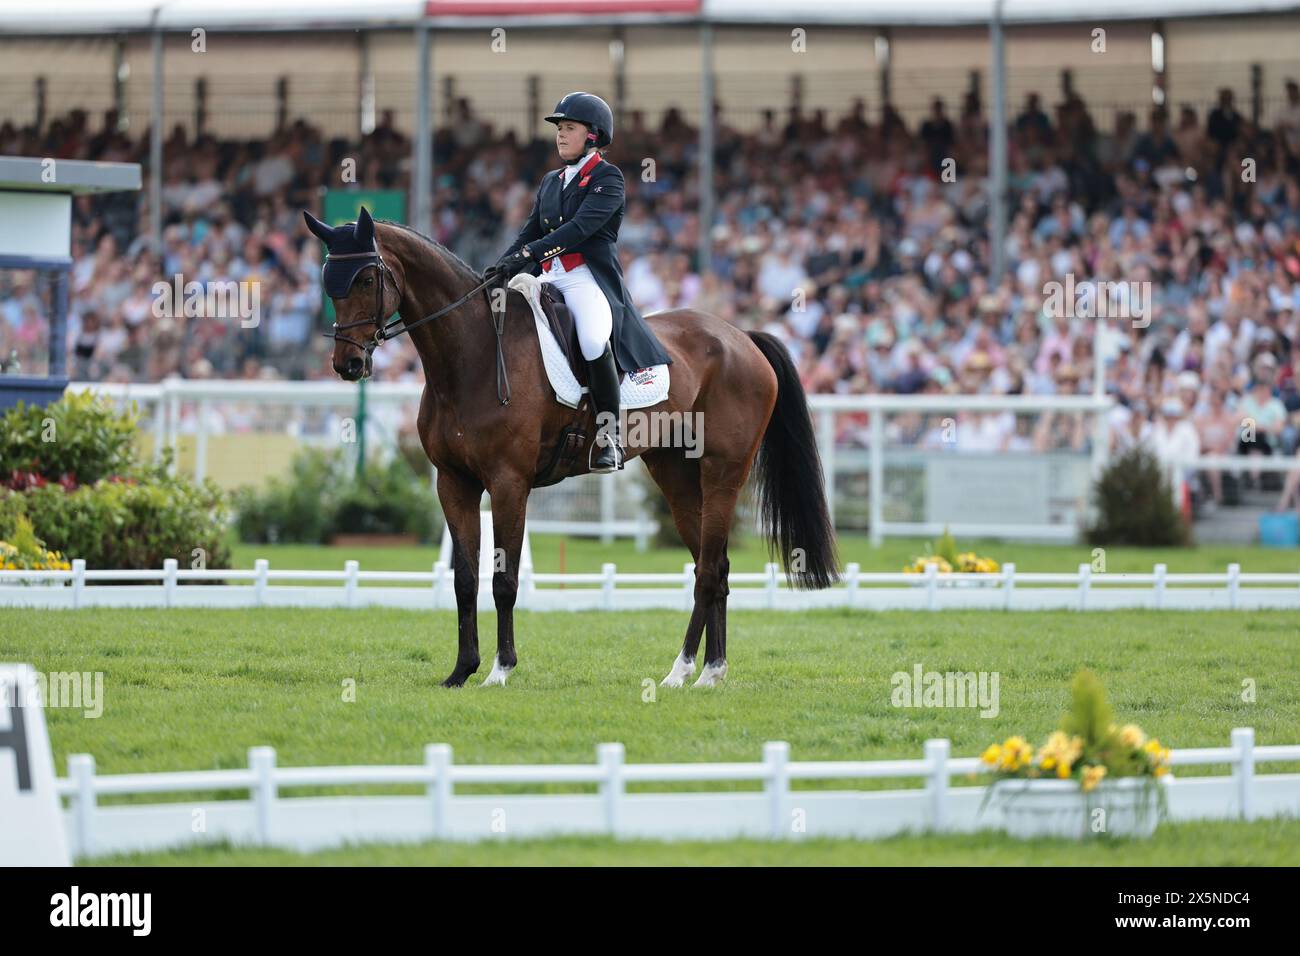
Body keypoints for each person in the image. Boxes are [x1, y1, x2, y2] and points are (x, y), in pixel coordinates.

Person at [489, 92, 672, 473]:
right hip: (547, 275)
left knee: (591, 338)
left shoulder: (608, 177)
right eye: (559, 129)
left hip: (585, 277)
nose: (560, 135)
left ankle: (609, 436)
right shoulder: (551, 181)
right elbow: (529, 231)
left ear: (592, 135)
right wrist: (505, 263)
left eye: (569, 128)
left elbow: (580, 229)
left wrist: (529, 255)